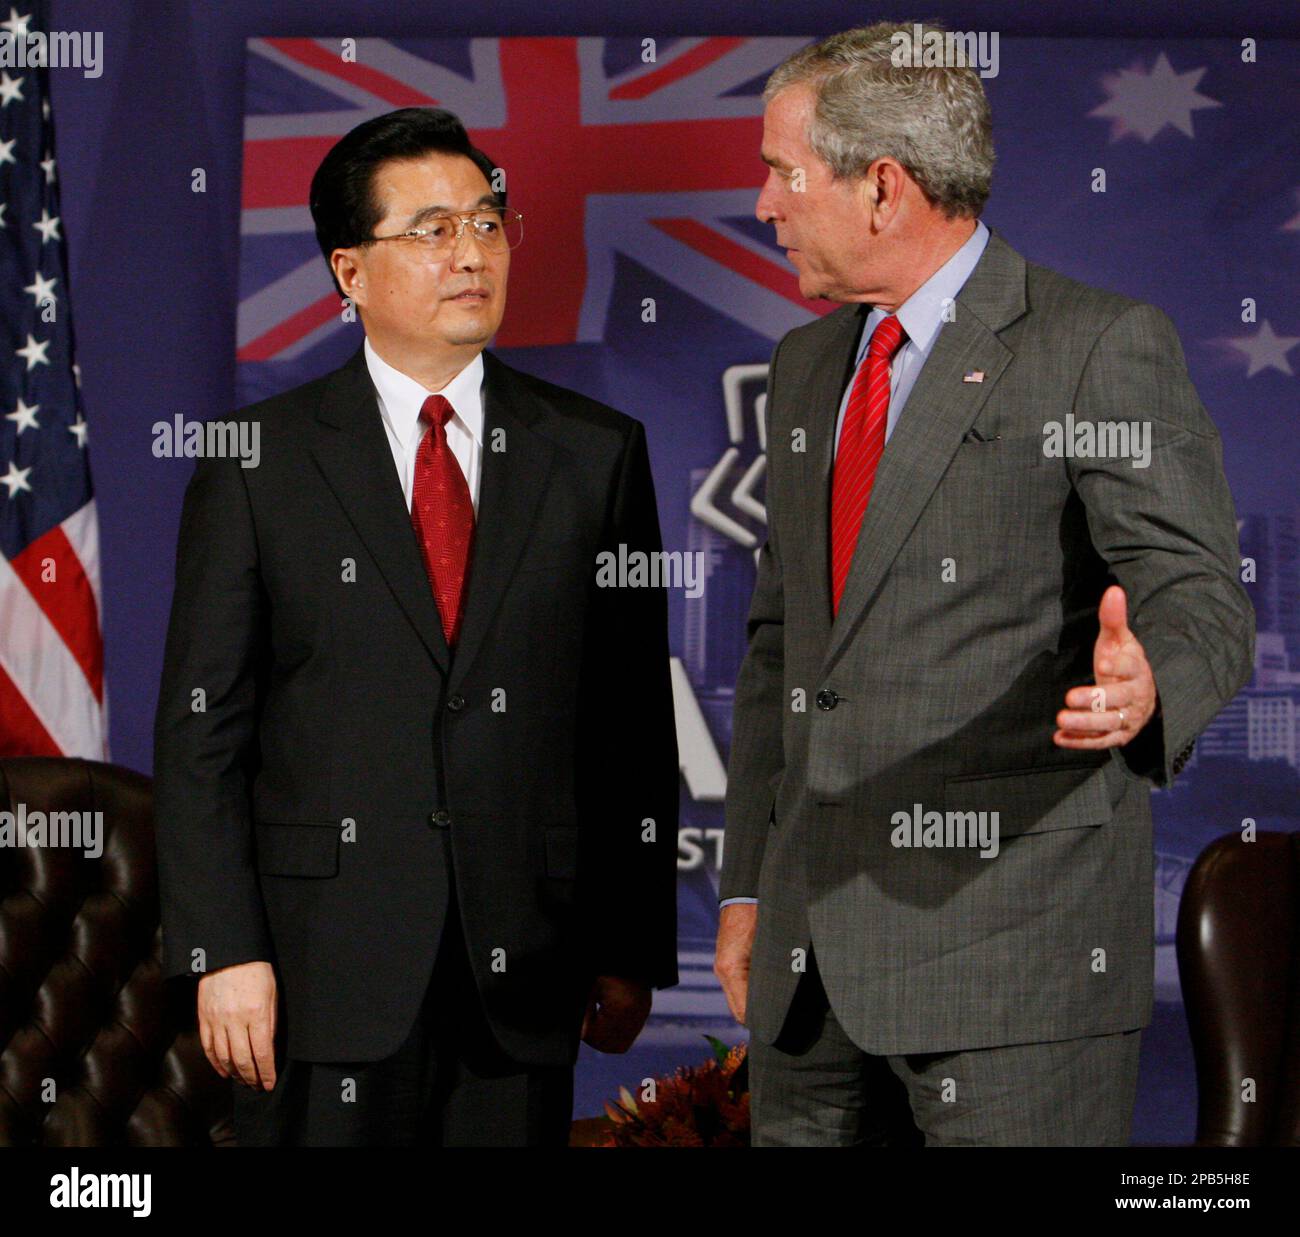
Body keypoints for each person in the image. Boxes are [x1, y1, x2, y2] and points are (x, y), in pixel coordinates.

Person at [715, 23, 1254, 1147]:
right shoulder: (810, 367)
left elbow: (1195, 588)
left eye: (781, 172)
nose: (763, 204)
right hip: (804, 981)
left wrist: (1150, 684)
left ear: (883, 188)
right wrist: (746, 887)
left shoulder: (1096, 346)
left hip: (1009, 981)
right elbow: (782, 646)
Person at [154, 107, 679, 1147]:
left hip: (522, 975)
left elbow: (626, 725)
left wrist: (628, 943)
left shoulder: (594, 453)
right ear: (349, 272)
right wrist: (223, 950)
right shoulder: (259, 458)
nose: (470, 252)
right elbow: (203, 731)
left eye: (487, 221)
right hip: (316, 975)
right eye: (431, 229)